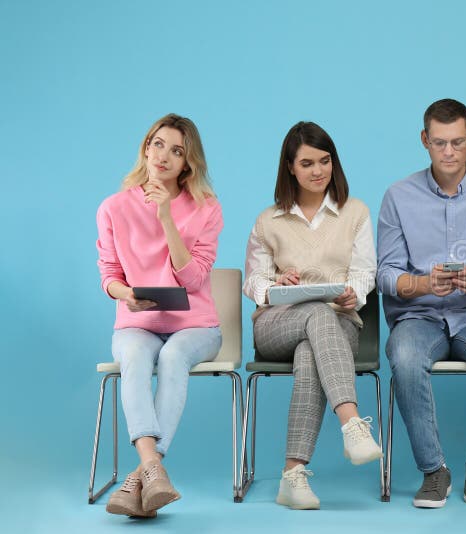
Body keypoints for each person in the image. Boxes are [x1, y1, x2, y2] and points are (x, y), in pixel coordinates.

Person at [377, 98, 466, 508]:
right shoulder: (397, 196)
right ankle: (433, 470)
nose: (449, 152)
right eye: (439, 142)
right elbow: (385, 274)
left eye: (458, 142)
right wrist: (422, 283)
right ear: (424, 140)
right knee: (404, 358)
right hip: (419, 316)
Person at [243, 121, 383, 510]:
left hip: (338, 323)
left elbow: (364, 271)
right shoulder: (268, 220)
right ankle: (352, 423)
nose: (318, 171)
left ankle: (293, 476)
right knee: (313, 316)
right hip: (276, 325)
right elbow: (253, 280)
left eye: (325, 161)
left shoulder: (354, 212)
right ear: (290, 167)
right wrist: (275, 284)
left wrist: (353, 294)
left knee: (313, 344)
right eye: (307, 163)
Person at [96, 114, 223, 518]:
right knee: (133, 356)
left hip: (197, 326)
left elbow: (193, 277)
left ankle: (141, 473)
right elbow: (109, 276)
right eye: (158, 144)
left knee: (172, 358)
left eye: (177, 150)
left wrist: (166, 215)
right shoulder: (113, 207)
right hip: (138, 322)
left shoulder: (206, 207)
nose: (164, 156)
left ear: (188, 163)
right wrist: (126, 294)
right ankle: (153, 468)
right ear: (145, 147)